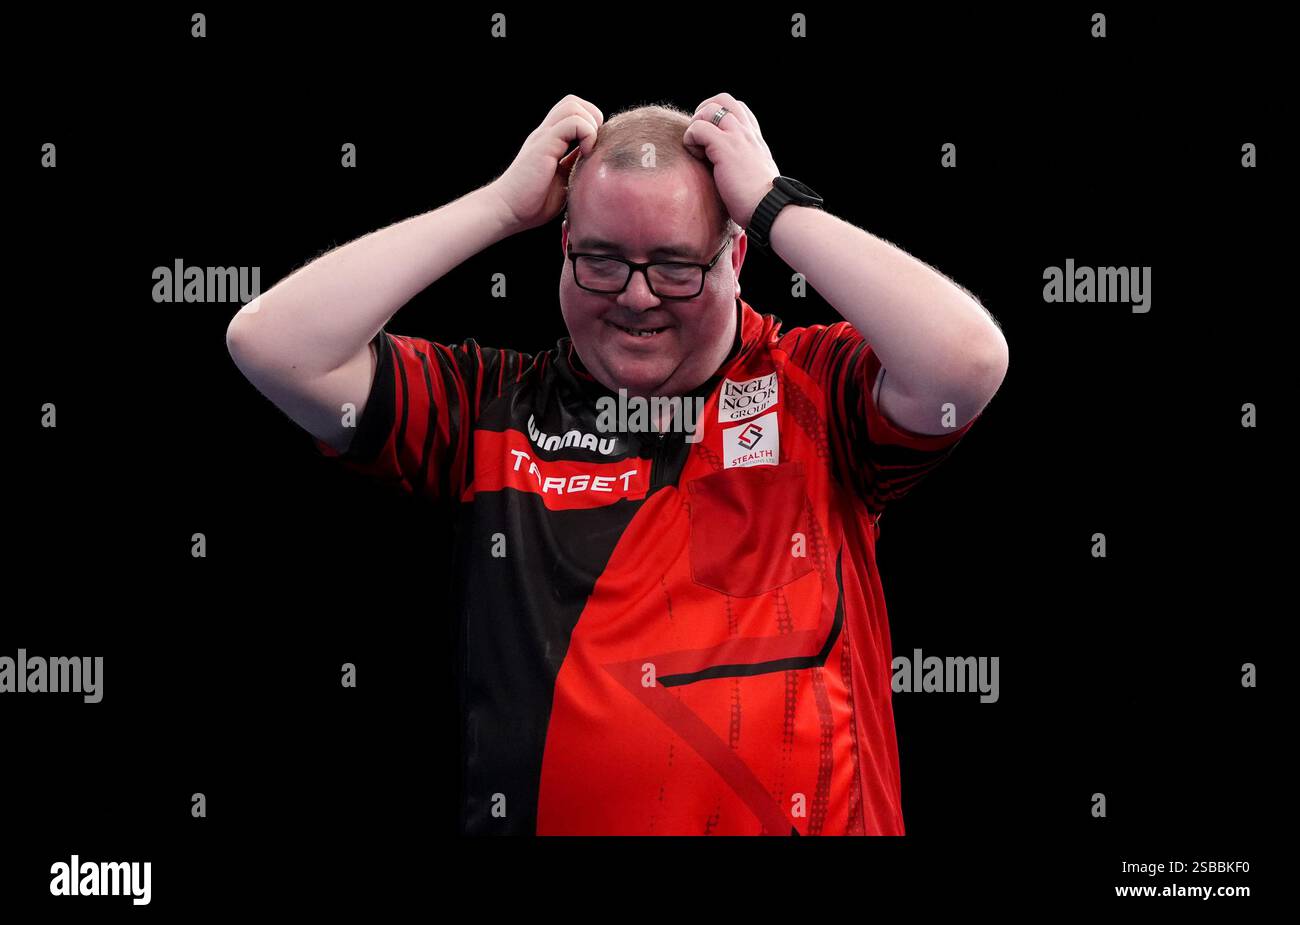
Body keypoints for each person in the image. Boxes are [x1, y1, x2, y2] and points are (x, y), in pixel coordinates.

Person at [226, 93, 1009, 835]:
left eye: (675, 265)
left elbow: (967, 360)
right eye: (601, 260)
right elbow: (273, 344)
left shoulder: (816, 391)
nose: (637, 298)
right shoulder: (489, 409)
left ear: (737, 254)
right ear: (565, 248)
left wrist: (776, 206)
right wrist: (498, 207)